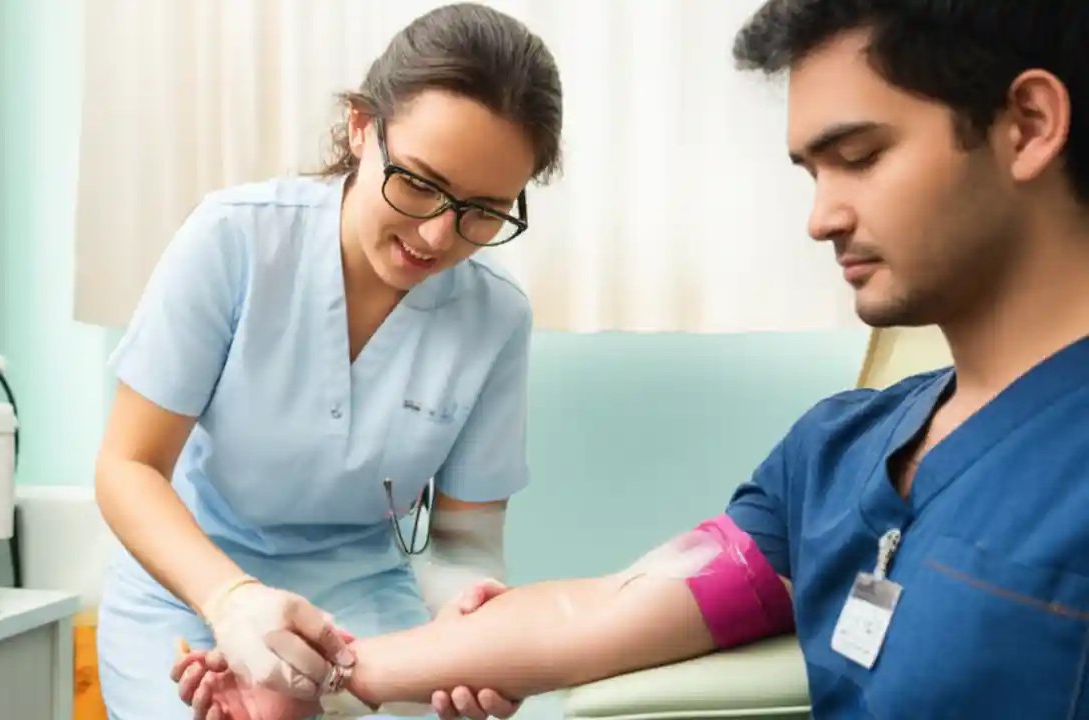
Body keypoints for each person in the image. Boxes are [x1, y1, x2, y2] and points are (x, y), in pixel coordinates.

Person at [174, 1, 1089, 718]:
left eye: (860, 156)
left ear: (1028, 123)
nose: (821, 218)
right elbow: (603, 611)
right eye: (813, 173)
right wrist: (320, 679)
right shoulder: (838, 454)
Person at [93, 4, 564, 718]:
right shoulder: (236, 241)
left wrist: (465, 620)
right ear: (360, 126)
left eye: (483, 211)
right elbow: (128, 467)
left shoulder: (494, 318)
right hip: (190, 586)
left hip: (362, 595)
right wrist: (231, 601)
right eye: (419, 183)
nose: (437, 236)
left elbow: (465, 541)